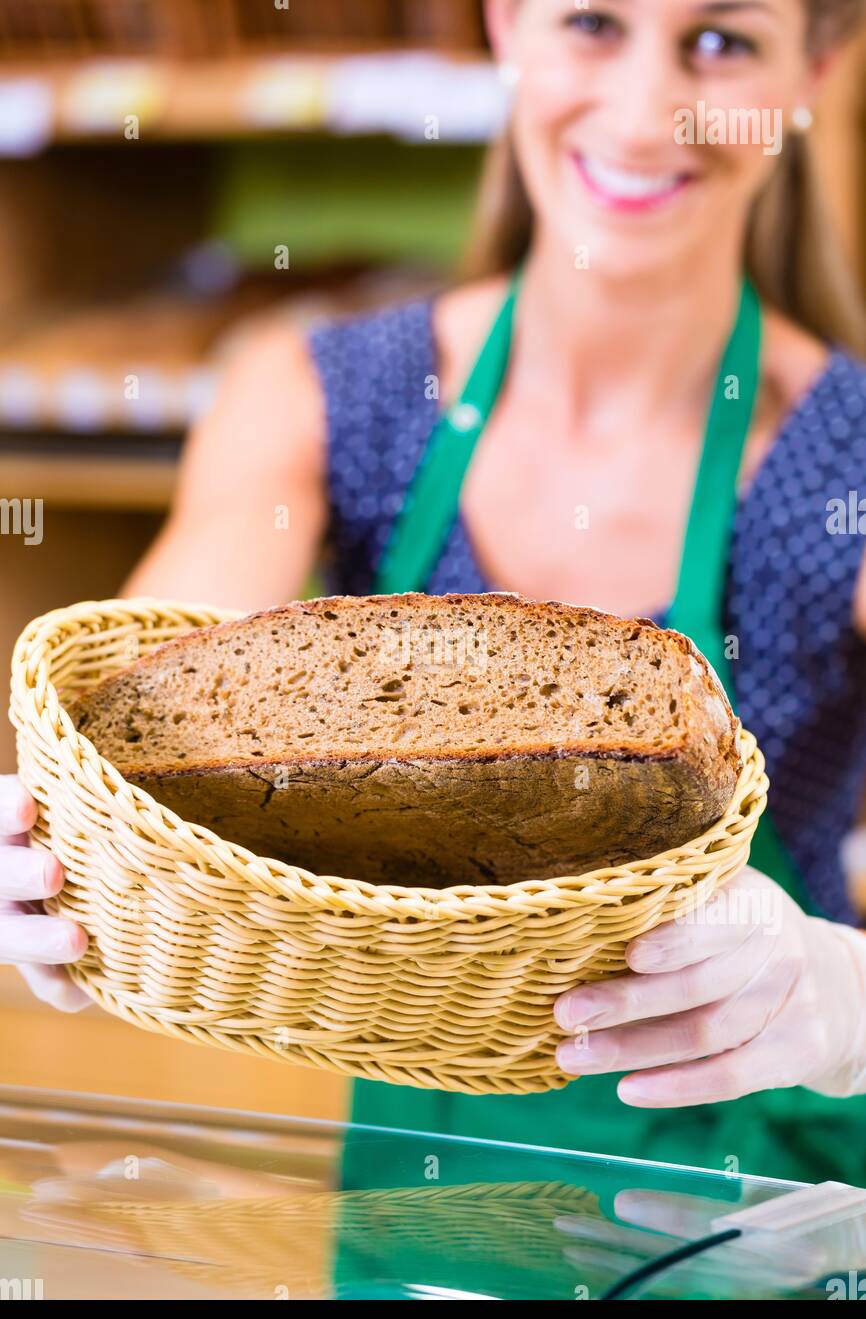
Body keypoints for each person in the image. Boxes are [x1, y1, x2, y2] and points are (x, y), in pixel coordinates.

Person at [4, 0, 866, 1183]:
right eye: (591, 24)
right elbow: (154, 684)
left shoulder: (847, 459)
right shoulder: (319, 398)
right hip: (424, 1193)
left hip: (757, 1201)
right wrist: (70, 833)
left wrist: (843, 1002)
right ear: (505, 28)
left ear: (812, 70)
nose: (644, 106)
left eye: (719, 42)